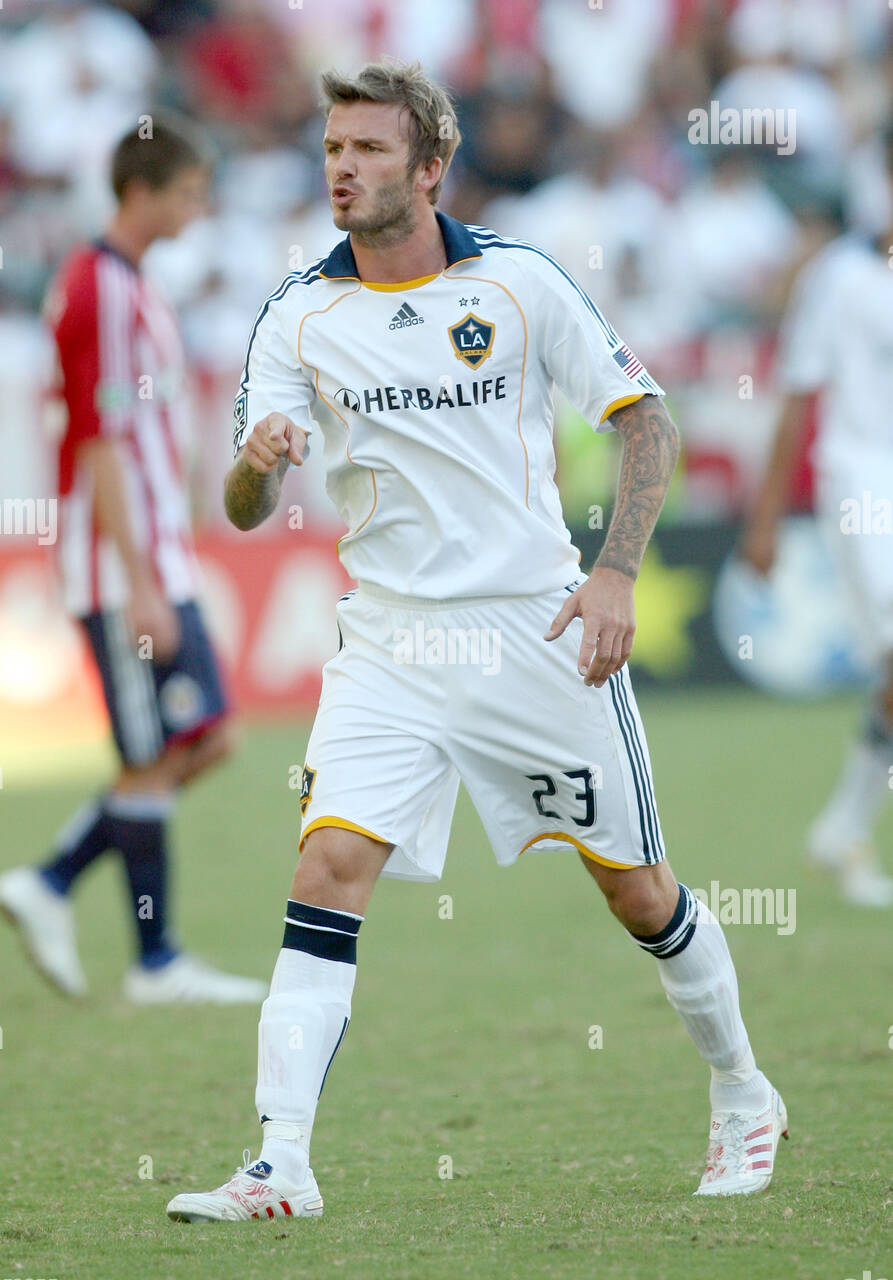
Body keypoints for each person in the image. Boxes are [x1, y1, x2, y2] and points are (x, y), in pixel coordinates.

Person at [168, 60, 785, 1220]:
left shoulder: (516, 284)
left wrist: (612, 572)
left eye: (366, 150)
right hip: (388, 642)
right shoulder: (297, 310)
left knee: (637, 892)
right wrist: (252, 468)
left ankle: (743, 1091)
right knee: (325, 867)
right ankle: (279, 1163)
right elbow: (243, 504)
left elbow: (642, 419)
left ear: (429, 166)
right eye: (331, 150)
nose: (341, 169)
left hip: (532, 631)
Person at [0, 114, 265, 1005]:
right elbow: (102, 441)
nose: (200, 207)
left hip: (157, 555)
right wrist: (140, 582)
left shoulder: (133, 283)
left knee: (207, 735)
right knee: (154, 753)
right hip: (123, 569)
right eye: (190, 191)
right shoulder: (100, 286)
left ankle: (53, 880)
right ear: (144, 190)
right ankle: (156, 960)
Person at [741, 142, 893, 909]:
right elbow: (797, 395)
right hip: (863, 480)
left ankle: (841, 827)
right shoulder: (838, 276)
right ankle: (844, 828)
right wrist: (762, 520)